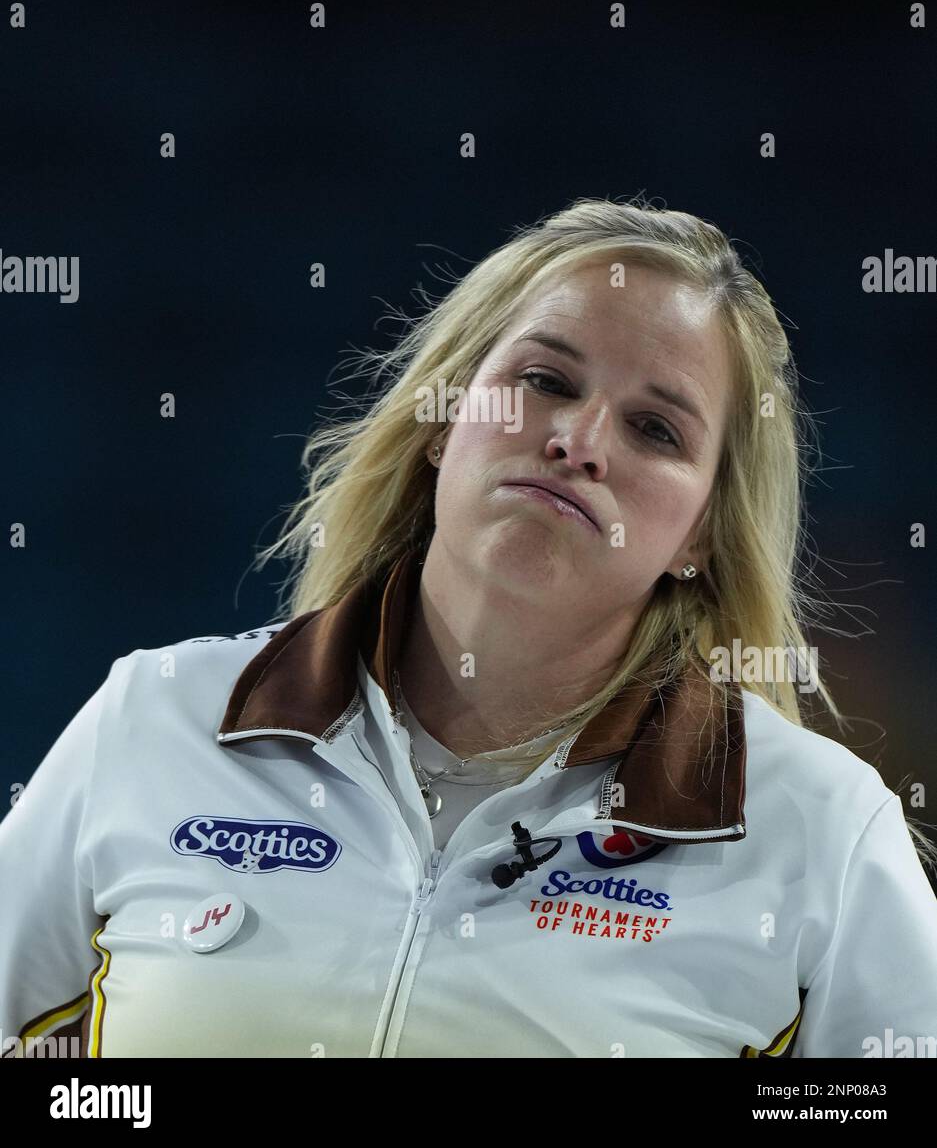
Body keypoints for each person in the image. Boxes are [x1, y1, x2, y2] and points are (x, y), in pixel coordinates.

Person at [2, 196, 936, 1059]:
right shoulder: (155, 719)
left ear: (698, 533)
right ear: (445, 421)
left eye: (656, 429)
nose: (578, 442)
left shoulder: (820, 833)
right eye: (543, 378)